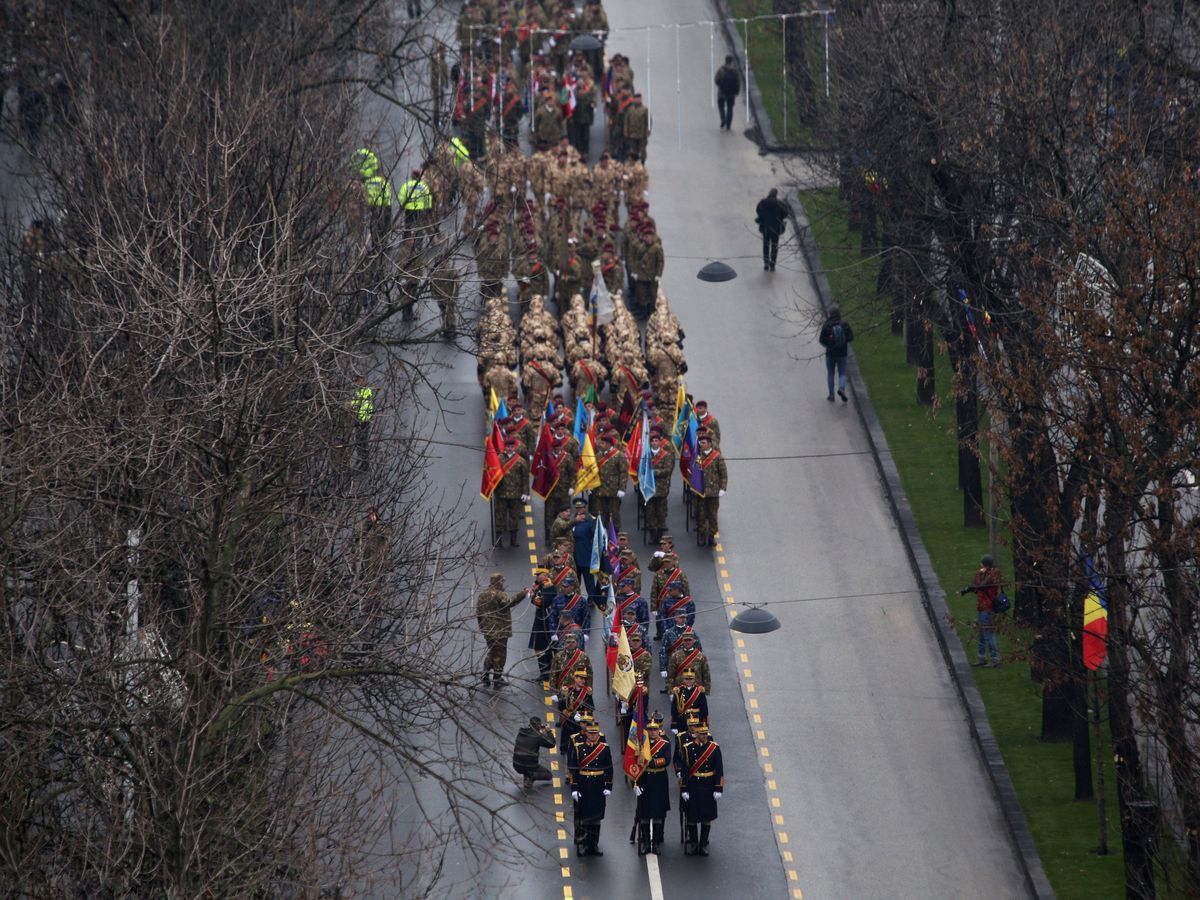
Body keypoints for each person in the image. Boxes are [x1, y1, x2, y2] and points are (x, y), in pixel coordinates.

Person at [475, 572, 532, 686]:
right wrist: (523, 593)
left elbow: (478, 613)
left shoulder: (482, 595)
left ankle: (485, 672)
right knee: (500, 654)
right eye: (502, 581)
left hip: (488, 630)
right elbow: (509, 603)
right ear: (498, 582)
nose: (503, 583)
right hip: (500, 630)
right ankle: (497, 678)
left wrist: (482, 627)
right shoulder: (499, 594)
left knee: (492, 651)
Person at [568, 722, 614, 856]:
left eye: (595, 733)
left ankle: (594, 844)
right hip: (584, 784)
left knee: (596, 817)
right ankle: (583, 843)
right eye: (591, 733)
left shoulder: (604, 748)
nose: (593, 736)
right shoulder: (578, 748)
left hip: (598, 785)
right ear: (586, 734)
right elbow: (573, 769)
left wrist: (608, 786)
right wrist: (574, 788)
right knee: (584, 816)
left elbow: (609, 768)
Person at [679, 724, 723, 856]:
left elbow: (719, 769)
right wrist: (684, 789)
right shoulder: (688, 749)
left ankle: (703, 844)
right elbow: (685, 771)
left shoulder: (714, 748)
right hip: (693, 786)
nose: (705, 736)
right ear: (696, 734)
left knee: (706, 816)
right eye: (702, 734)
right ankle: (693, 843)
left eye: (706, 733)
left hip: (708, 785)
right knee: (692, 816)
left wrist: (718, 788)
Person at [634, 716, 672, 855]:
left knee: (657, 813)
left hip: (659, 780)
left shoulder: (665, 744)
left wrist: (649, 763)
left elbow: (667, 760)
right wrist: (635, 783)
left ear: (659, 730)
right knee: (644, 813)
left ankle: (655, 843)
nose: (653, 732)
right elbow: (633, 765)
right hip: (644, 779)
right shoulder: (640, 745)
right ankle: (645, 842)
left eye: (655, 729)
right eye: (650, 729)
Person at [960, 554, 1003, 667]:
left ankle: (995, 659)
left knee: (988, 633)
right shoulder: (984, 574)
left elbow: (981, 586)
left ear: (985, 565)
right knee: (981, 633)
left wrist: (979, 574)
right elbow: (976, 588)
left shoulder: (993, 575)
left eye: (982, 564)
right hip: (982, 606)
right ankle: (981, 657)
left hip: (987, 607)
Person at [494, 436, 530, 548]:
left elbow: (525, 478)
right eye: (507, 446)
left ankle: (513, 540)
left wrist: (525, 493)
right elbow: (493, 475)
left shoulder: (521, 461)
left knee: (514, 518)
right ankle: (498, 541)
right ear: (505, 447)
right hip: (501, 494)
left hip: (515, 494)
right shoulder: (498, 459)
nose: (509, 448)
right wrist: (492, 488)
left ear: (514, 447)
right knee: (500, 517)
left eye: (511, 446)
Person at [694, 432, 728, 547]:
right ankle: (702, 535)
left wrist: (723, 488)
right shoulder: (698, 457)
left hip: (713, 492)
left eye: (703, 443)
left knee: (713, 515)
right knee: (701, 515)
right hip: (701, 492)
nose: (701, 445)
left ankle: (711, 536)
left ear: (709, 444)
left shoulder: (717, 457)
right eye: (700, 443)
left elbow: (723, 474)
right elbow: (694, 473)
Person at [818, 304, 854, 402]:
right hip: (842, 353)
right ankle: (841, 388)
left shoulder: (827, 326)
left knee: (830, 373)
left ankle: (831, 395)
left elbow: (821, 340)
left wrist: (829, 345)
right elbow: (851, 337)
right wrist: (843, 341)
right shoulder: (844, 324)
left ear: (830, 314)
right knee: (842, 372)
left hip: (830, 354)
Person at [513, 716, 556, 789]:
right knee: (549, 775)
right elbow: (552, 744)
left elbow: (531, 737)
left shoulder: (521, 732)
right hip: (531, 765)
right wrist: (548, 732)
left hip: (516, 765)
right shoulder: (538, 736)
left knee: (525, 763)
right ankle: (531, 776)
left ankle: (527, 775)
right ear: (539, 725)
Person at [755, 188, 789, 272]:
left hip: (766, 228)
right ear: (776, 195)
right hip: (776, 229)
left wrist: (763, 218)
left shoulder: (763, 202)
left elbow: (758, 210)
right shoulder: (779, 203)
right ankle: (772, 264)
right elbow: (785, 213)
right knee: (774, 246)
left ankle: (766, 263)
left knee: (766, 245)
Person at [350, 373, 374, 470]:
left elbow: (359, 403)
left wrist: (350, 405)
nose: (358, 382)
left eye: (360, 380)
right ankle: (363, 461)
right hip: (359, 419)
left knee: (362, 442)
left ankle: (364, 463)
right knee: (360, 442)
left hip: (363, 420)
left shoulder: (364, 391)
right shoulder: (358, 391)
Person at [714, 55, 741, 131]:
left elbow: (716, 79)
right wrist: (737, 91)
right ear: (731, 61)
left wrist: (720, 85)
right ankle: (728, 124)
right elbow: (738, 82)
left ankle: (723, 118)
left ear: (725, 60)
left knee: (721, 105)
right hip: (731, 93)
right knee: (730, 107)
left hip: (722, 92)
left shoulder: (721, 69)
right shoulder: (735, 71)